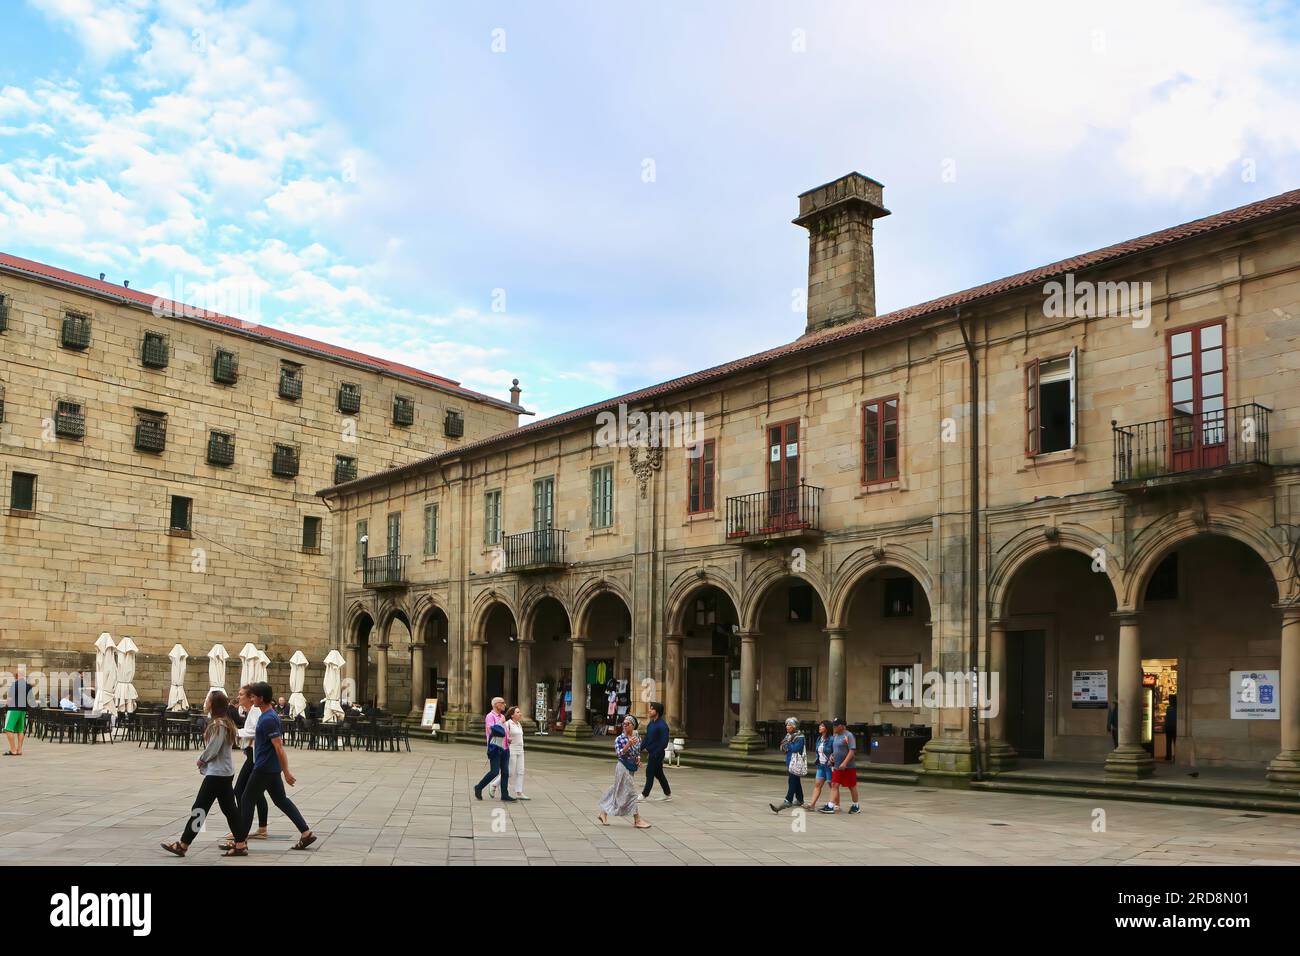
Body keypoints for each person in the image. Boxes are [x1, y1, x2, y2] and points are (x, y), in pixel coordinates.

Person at [224, 682, 315, 856]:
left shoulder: (268, 719)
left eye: (253, 696)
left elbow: (279, 747)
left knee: (246, 798)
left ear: (261, 698)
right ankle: (306, 833)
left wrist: (287, 772)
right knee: (281, 800)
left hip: (264, 767)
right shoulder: (269, 715)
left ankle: (240, 843)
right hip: (270, 767)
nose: (251, 698)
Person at [160, 690, 244, 857]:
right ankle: (241, 844)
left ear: (213, 704)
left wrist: (202, 759)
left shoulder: (220, 724)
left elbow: (214, 747)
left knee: (199, 809)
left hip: (217, 774)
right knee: (230, 810)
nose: (205, 702)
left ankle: (183, 844)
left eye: (207, 700)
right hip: (223, 773)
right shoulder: (224, 722)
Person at [225, 686, 268, 843]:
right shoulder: (251, 711)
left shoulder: (255, 711)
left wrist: (236, 732)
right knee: (259, 793)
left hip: (255, 756)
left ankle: (240, 829)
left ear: (251, 697)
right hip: (252, 754)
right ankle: (261, 828)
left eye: (241, 694)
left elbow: (255, 732)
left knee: (239, 790)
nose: (238, 696)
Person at [596, 716, 650, 828]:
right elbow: (619, 754)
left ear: (633, 726)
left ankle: (603, 812)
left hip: (631, 768)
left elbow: (637, 752)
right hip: (622, 767)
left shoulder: (637, 738)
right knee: (631, 792)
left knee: (617, 789)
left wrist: (638, 760)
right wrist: (628, 745)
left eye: (628, 724)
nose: (624, 725)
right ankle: (637, 820)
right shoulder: (619, 739)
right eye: (624, 723)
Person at [473, 697, 514, 802]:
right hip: (495, 747)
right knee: (494, 771)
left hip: (505, 747)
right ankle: (478, 787)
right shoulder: (490, 716)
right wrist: (501, 721)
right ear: (496, 705)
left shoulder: (502, 716)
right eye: (503, 703)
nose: (505, 705)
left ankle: (505, 794)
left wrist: (508, 738)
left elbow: (504, 731)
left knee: (505, 772)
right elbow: (493, 730)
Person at [818, 717, 860, 814]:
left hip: (848, 766)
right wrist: (832, 756)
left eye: (835, 726)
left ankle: (856, 805)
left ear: (841, 726)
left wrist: (845, 763)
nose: (834, 727)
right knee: (834, 784)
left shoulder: (848, 735)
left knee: (851, 786)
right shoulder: (836, 735)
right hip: (837, 766)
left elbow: (852, 750)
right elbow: (835, 749)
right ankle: (831, 805)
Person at [492, 705, 529, 800]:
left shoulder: (519, 724)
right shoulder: (508, 723)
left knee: (521, 771)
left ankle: (519, 792)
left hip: (520, 750)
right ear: (512, 715)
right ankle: (494, 784)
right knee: (510, 772)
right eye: (517, 712)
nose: (520, 714)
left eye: (519, 712)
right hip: (511, 749)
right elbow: (502, 734)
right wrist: (507, 739)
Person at [770, 718, 806, 812]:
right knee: (795, 780)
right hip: (790, 761)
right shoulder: (789, 735)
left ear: (794, 727)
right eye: (787, 725)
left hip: (796, 762)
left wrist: (788, 744)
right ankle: (800, 799)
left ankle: (788, 800)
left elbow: (795, 749)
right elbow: (782, 746)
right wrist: (787, 745)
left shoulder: (800, 737)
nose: (787, 727)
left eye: (789, 725)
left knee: (792, 780)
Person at [638, 701, 671, 802]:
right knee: (658, 773)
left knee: (649, 772)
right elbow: (647, 739)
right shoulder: (651, 723)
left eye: (652, 709)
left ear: (657, 711)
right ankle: (667, 793)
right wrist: (639, 748)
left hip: (657, 753)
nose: (649, 710)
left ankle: (644, 794)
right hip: (652, 752)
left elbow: (664, 742)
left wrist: (656, 752)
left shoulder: (663, 726)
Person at [805, 720, 835, 810]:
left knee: (832, 786)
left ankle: (835, 804)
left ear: (827, 728)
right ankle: (812, 804)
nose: (819, 727)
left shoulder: (832, 739)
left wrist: (833, 758)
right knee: (817, 785)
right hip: (821, 765)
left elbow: (835, 751)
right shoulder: (819, 739)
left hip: (829, 766)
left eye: (822, 726)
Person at [3, 668, 31, 756]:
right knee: (20, 730)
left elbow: (10, 699)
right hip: (23, 711)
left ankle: (13, 750)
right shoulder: (28, 686)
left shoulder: (15, 685)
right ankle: (19, 750)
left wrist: (6, 705)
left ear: (17, 675)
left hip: (13, 709)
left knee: (8, 729)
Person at [1164, 694, 1178, 761]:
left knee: (1168, 743)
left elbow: (1167, 718)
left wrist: (1165, 726)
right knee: (1175, 742)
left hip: (1169, 728)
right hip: (1175, 727)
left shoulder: (1168, 708)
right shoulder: (1177, 708)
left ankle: (1168, 756)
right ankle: (1176, 756)